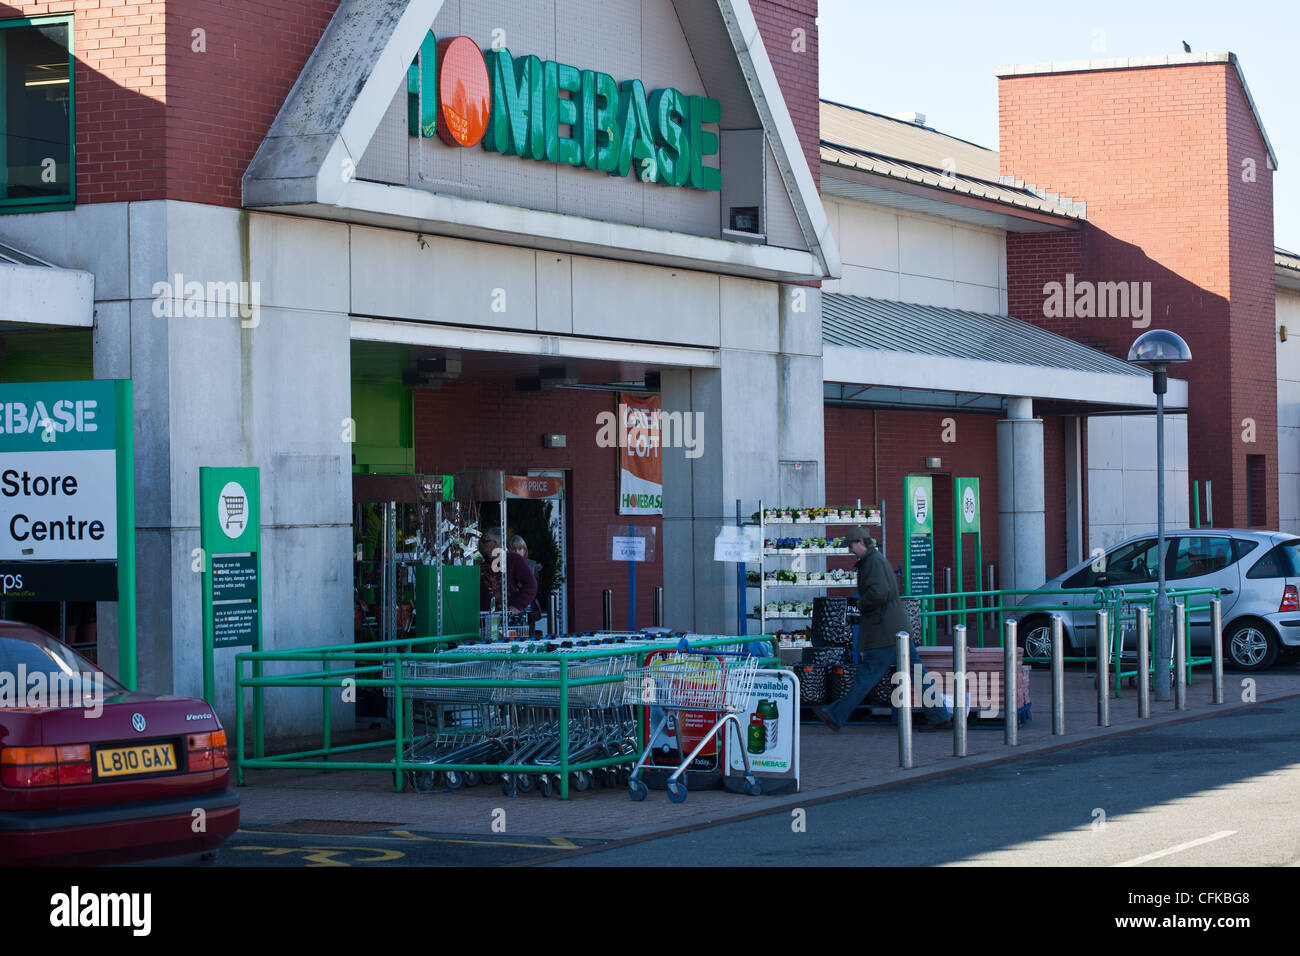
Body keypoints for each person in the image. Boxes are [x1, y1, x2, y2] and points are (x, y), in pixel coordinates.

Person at [813, 527, 952, 733]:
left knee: (868, 673)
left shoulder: (873, 562)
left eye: (851, 546)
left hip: (884, 630)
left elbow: (879, 592)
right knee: (916, 672)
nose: (850, 550)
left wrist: (860, 605)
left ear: (861, 542)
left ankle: (836, 714)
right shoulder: (874, 559)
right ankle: (939, 715)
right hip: (896, 627)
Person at [479, 527, 538, 615]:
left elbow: (531, 585)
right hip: (486, 618)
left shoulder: (514, 560)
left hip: (510, 621)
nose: (480, 544)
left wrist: (516, 607)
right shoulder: (483, 563)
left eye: (484, 541)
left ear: (495, 543)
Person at [509, 534, 544, 633]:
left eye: (520, 549)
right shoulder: (505, 565)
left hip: (528, 610)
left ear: (525, 551)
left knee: (528, 634)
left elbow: (537, 590)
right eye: (513, 549)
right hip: (511, 608)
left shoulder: (532, 566)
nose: (517, 552)